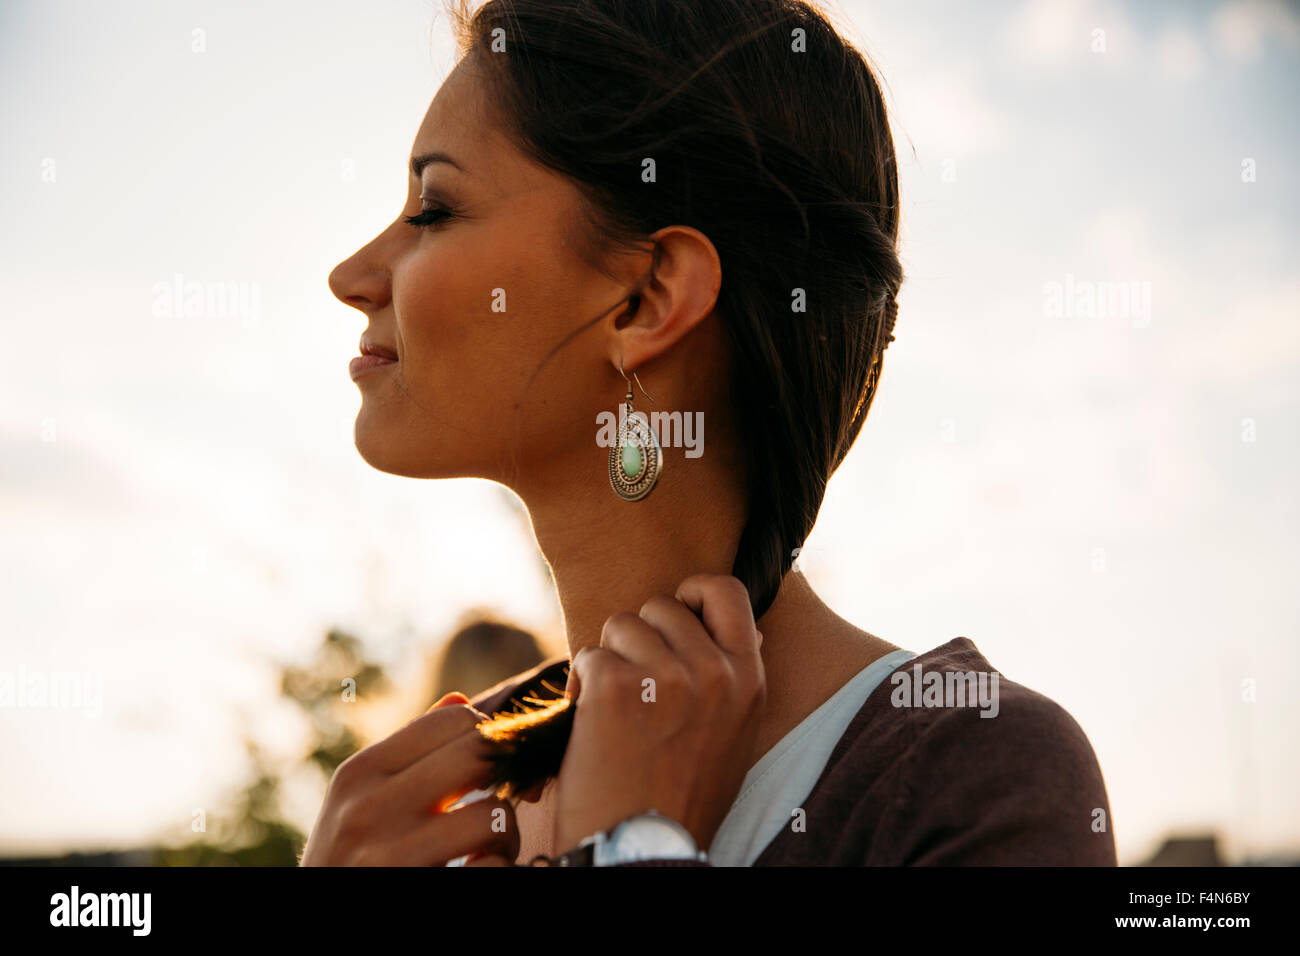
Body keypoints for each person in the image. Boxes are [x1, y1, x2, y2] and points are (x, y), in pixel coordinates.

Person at [302, 0, 1115, 867]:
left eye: (433, 208)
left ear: (645, 299)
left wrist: (630, 846)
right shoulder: (435, 799)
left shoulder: (967, 778)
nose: (350, 276)